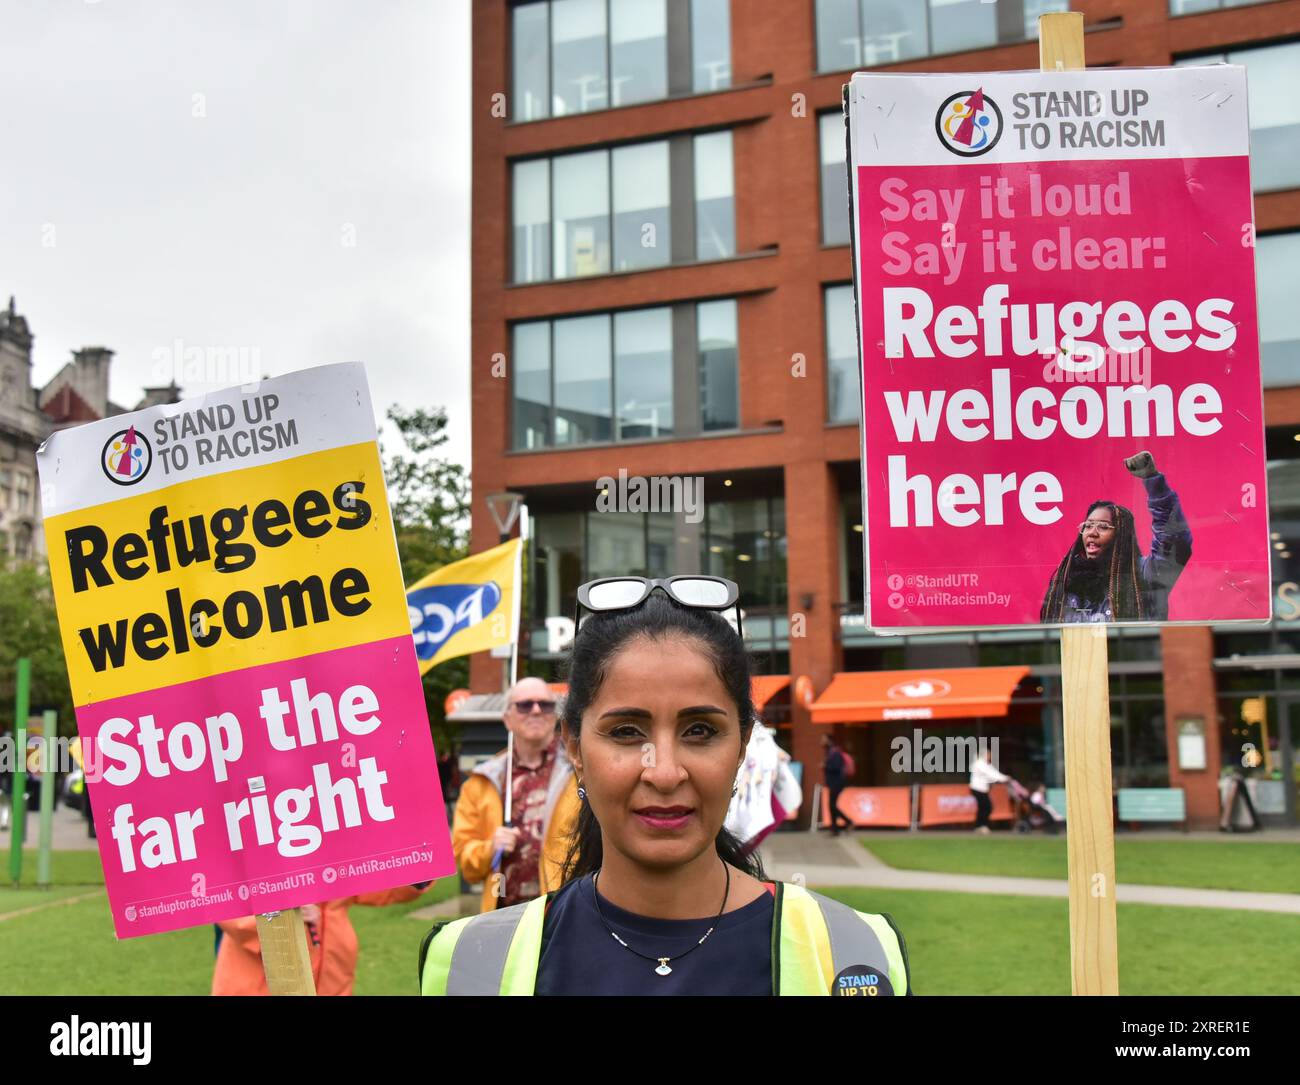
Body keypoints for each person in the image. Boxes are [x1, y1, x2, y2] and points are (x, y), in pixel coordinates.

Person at [421, 576, 911, 996]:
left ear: (742, 744)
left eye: (700, 731)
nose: (664, 771)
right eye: (626, 732)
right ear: (573, 746)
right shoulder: (470, 964)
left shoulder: (854, 954)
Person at [450, 676, 580, 911]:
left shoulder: (582, 773)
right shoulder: (481, 783)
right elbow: (466, 863)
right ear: (507, 719)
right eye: (525, 705)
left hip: (564, 915)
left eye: (546, 704)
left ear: (555, 716)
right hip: (504, 919)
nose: (536, 710)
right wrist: (491, 848)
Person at [1040, 450, 1191, 623]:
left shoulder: (1144, 574)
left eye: (1103, 527)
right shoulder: (1067, 578)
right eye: (1088, 526)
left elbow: (1174, 540)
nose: (1092, 532)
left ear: (1121, 535)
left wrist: (1153, 480)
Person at [212, 886, 427, 996]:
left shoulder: (331, 827)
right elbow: (222, 900)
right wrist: (283, 915)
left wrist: (414, 871)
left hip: (332, 975)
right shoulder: (250, 824)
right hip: (262, 980)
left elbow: (366, 877)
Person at [969, 746, 1007, 834]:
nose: (990, 756)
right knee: (986, 807)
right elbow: (990, 774)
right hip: (977, 789)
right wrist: (1003, 779)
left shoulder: (986, 764)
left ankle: (980, 826)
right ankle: (981, 826)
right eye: (988, 754)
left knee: (984, 807)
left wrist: (1004, 777)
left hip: (983, 789)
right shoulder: (979, 764)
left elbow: (994, 773)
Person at [822, 734, 852, 836]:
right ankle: (835, 829)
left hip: (837, 782)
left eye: (823, 739)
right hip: (834, 782)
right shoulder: (831, 752)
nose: (821, 741)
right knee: (831, 805)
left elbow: (836, 767)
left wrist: (825, 766)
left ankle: (847, 821)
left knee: (832, 805)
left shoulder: (834, 753)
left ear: (829, 740)